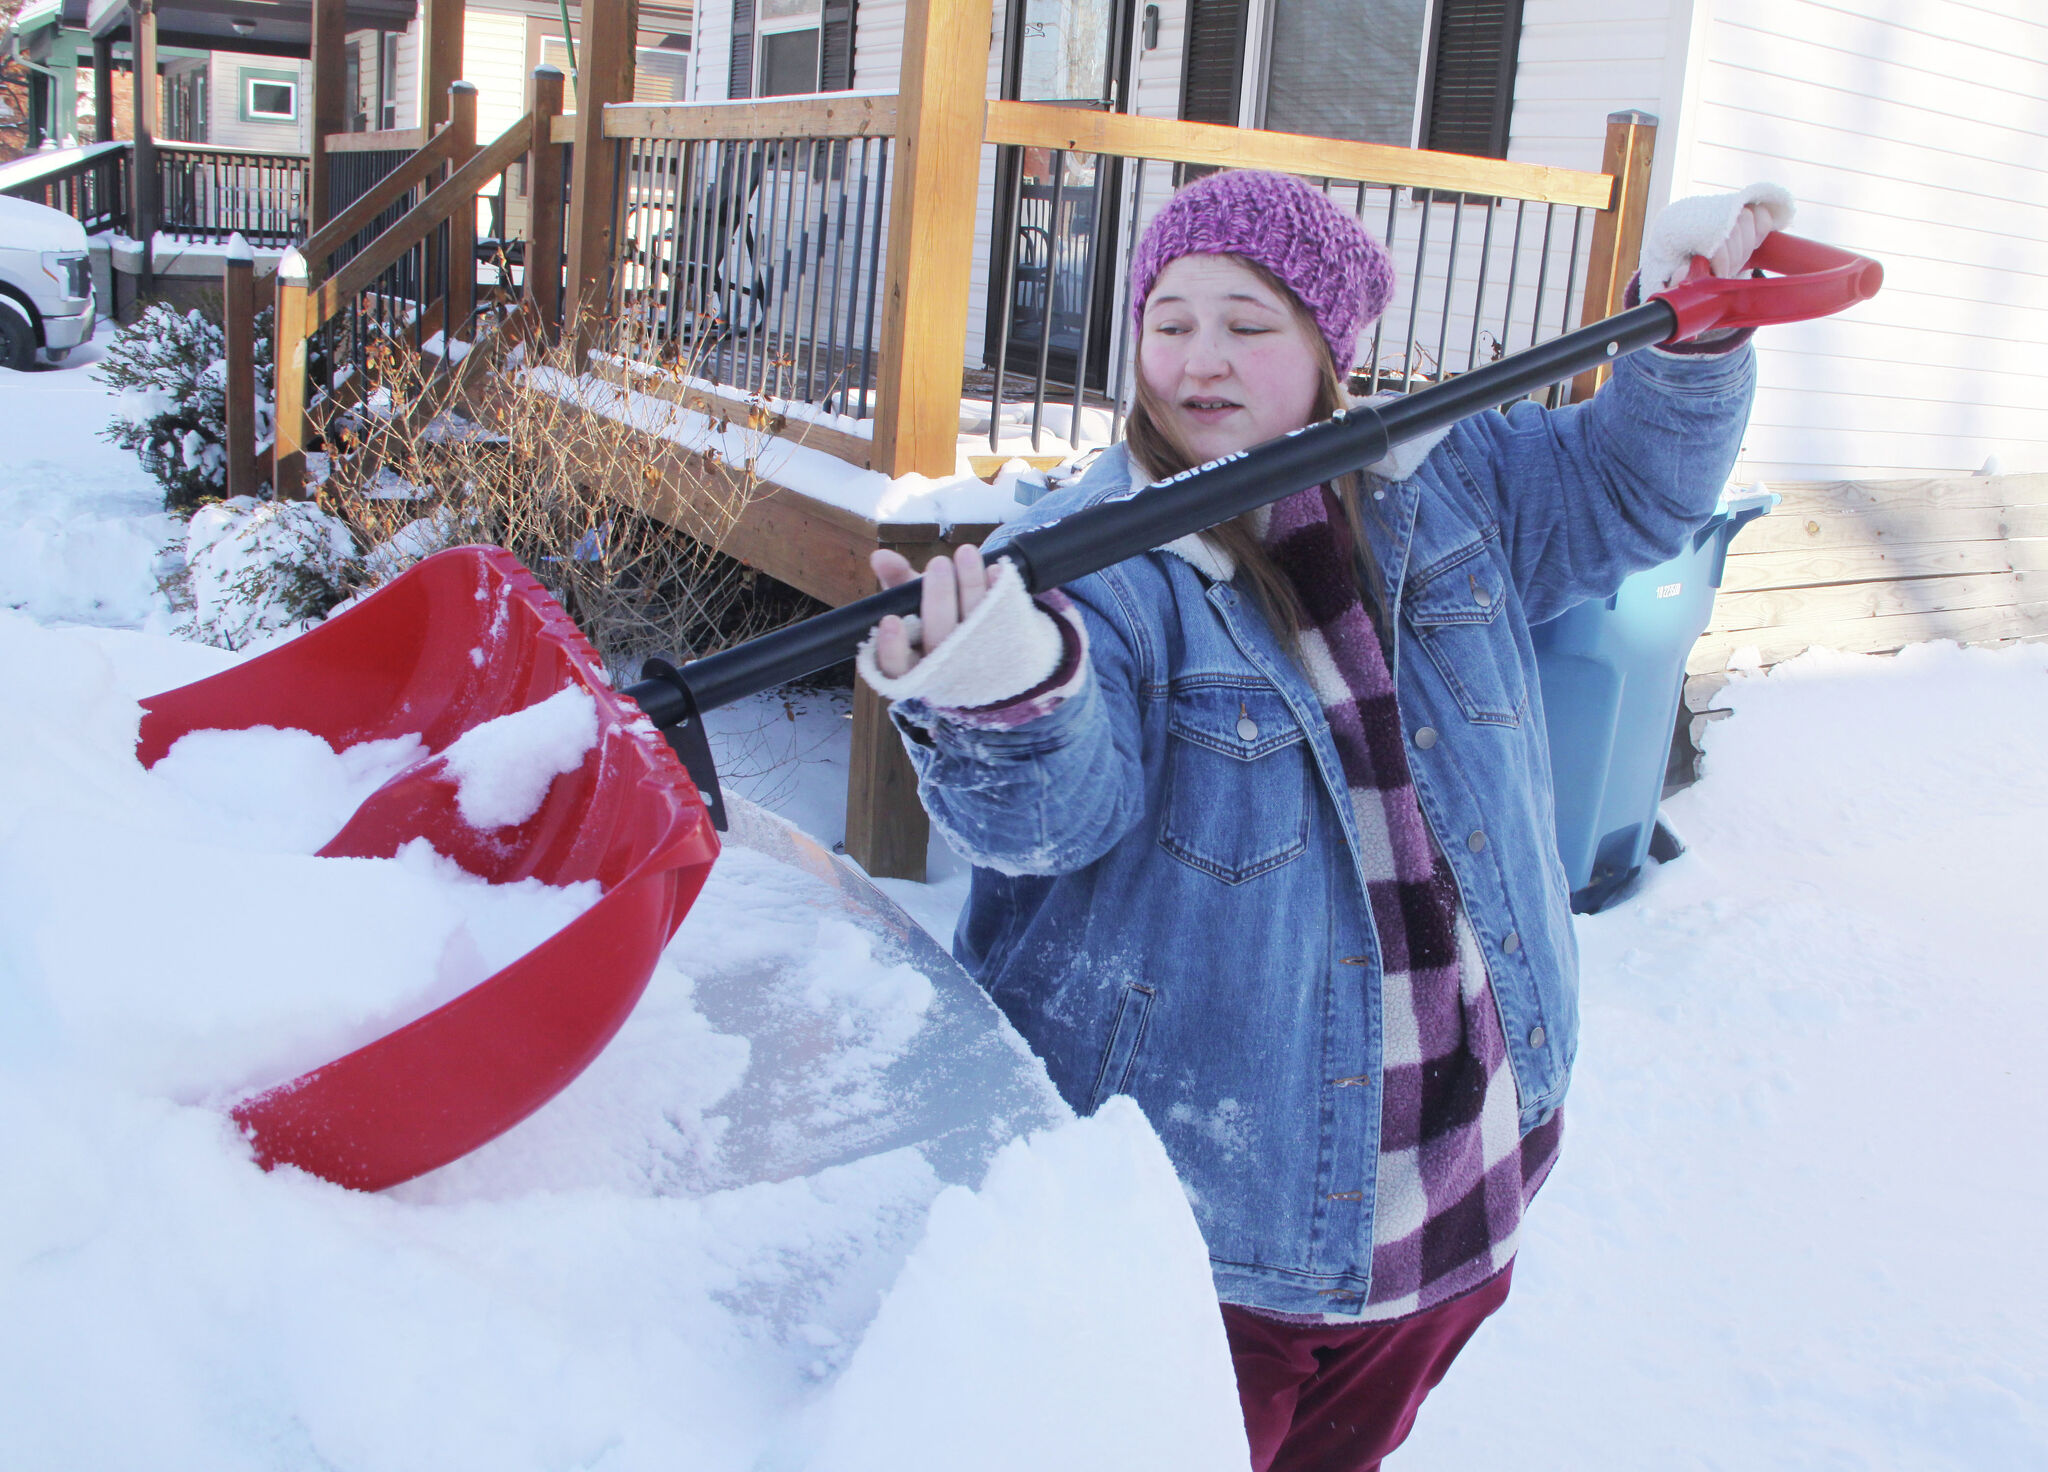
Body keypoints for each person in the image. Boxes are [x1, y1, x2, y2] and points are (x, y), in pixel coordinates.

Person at [856, 170, 1786, 1471]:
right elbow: (1047, 824)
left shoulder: (1443, 477)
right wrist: (1005, 692)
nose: (1199, 358)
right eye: (1169, 318)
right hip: (1212, 1232)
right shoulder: (1088, 558)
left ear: (1328, 349)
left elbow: (1631, 492)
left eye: (1249, 320)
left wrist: (1698, 337)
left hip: (1462, 1183)